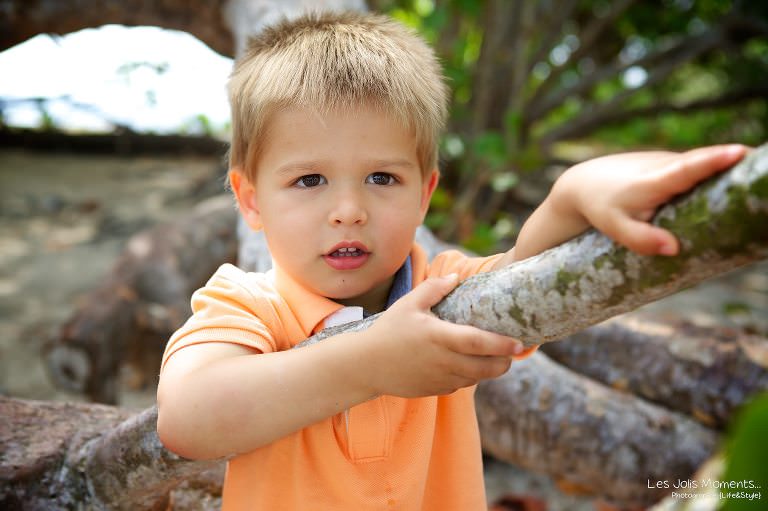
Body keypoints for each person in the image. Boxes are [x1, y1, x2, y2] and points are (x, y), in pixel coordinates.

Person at [156, 10, 746, 511]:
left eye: (382, 178)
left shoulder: (448, 293)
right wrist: (370, 362)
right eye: (309, 180)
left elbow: (533, 268)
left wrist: (575, 191)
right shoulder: (247, 306)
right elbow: (188, 419)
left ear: (425, 194)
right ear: (251, 201)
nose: (349, 211)